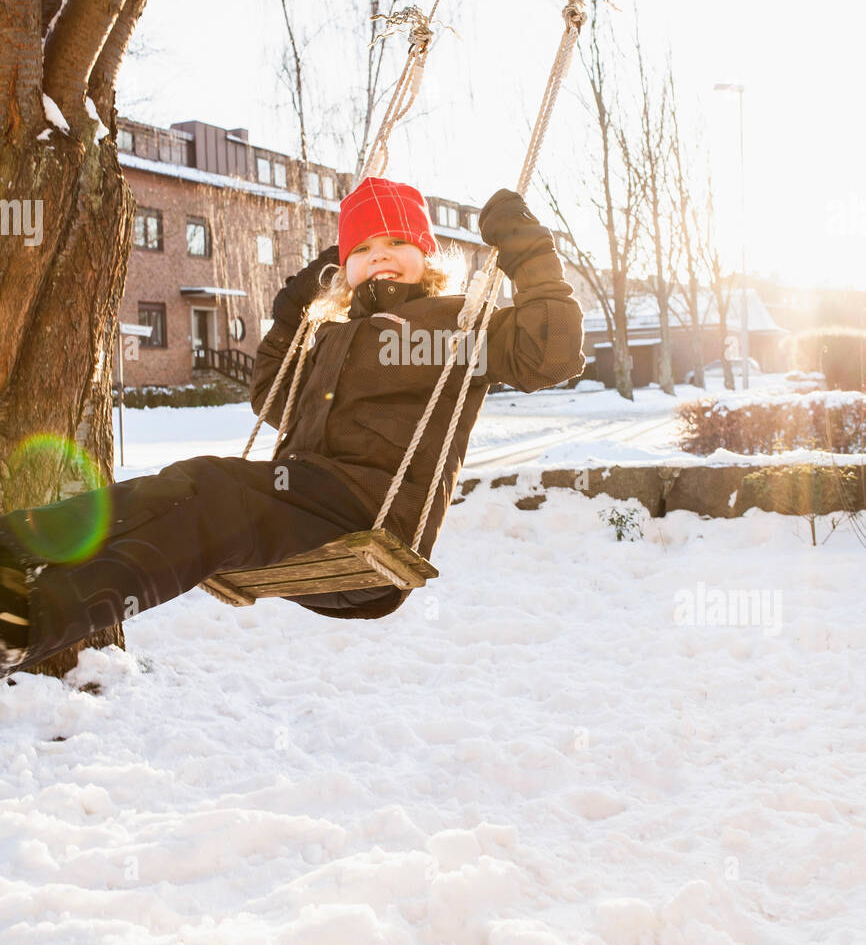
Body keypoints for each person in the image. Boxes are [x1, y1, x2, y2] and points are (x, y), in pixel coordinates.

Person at [0, 178, 584, 677]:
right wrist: (293, 309)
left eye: (399, 241)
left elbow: (548, 353)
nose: (382, 254)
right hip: (299, 502)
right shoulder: (329, 335)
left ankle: (35, 621)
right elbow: (273, 396)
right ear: (345, 265)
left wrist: (527, 253)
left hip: (369, 515)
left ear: (427, 255)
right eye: (366, 246)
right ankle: (17, 545)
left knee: (214, 497)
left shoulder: (456, 323)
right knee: (191, 483)